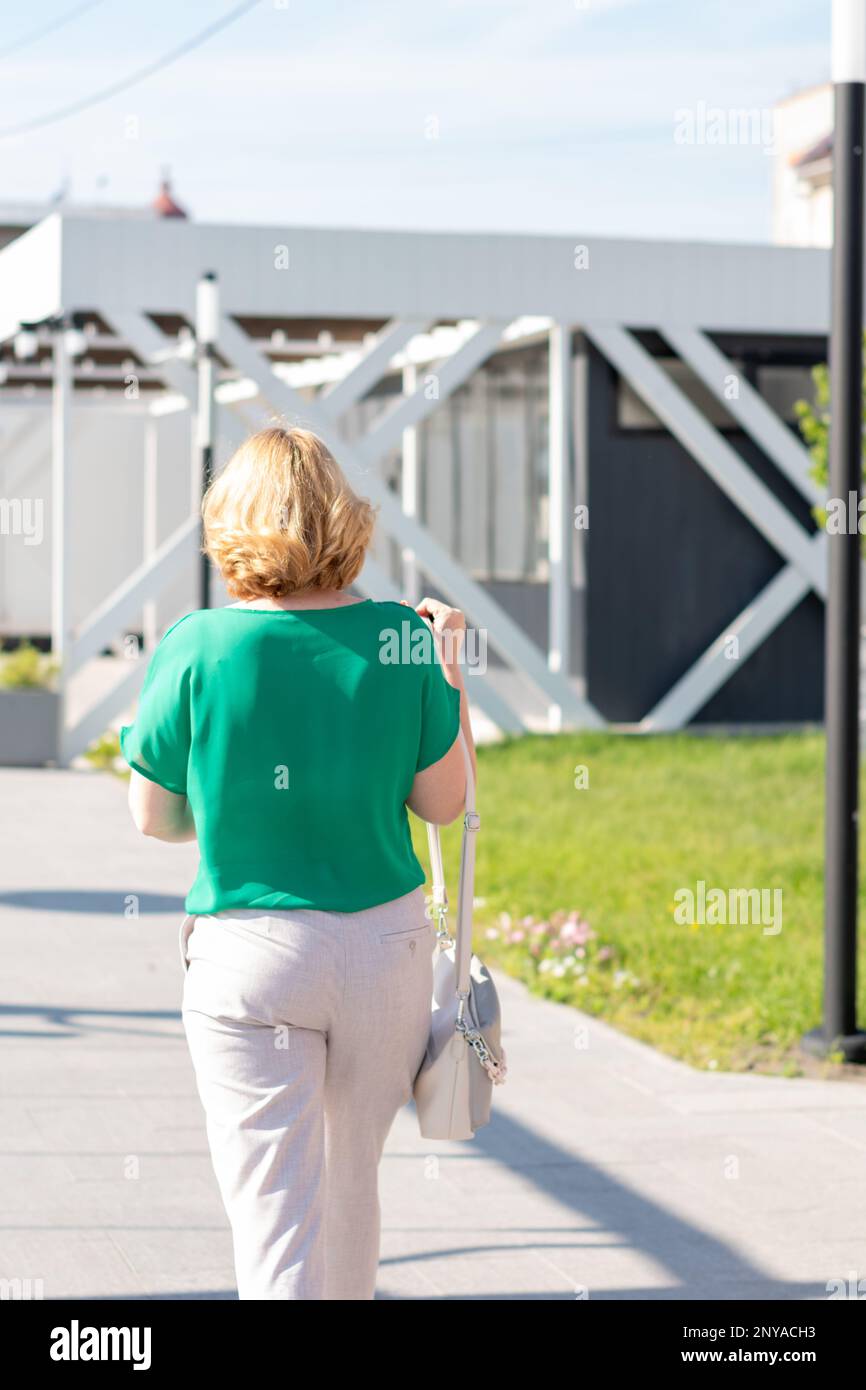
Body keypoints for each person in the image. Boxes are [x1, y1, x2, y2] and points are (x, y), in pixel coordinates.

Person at [119, 425, 475, 1301]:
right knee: (352, 1192)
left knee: (276, 1216)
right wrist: (450, 674)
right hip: (383, 954)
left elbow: (154, 818)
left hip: (252, 954)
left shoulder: (196, 645)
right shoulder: (401, 638)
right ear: (342, 520)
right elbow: (444, 803)